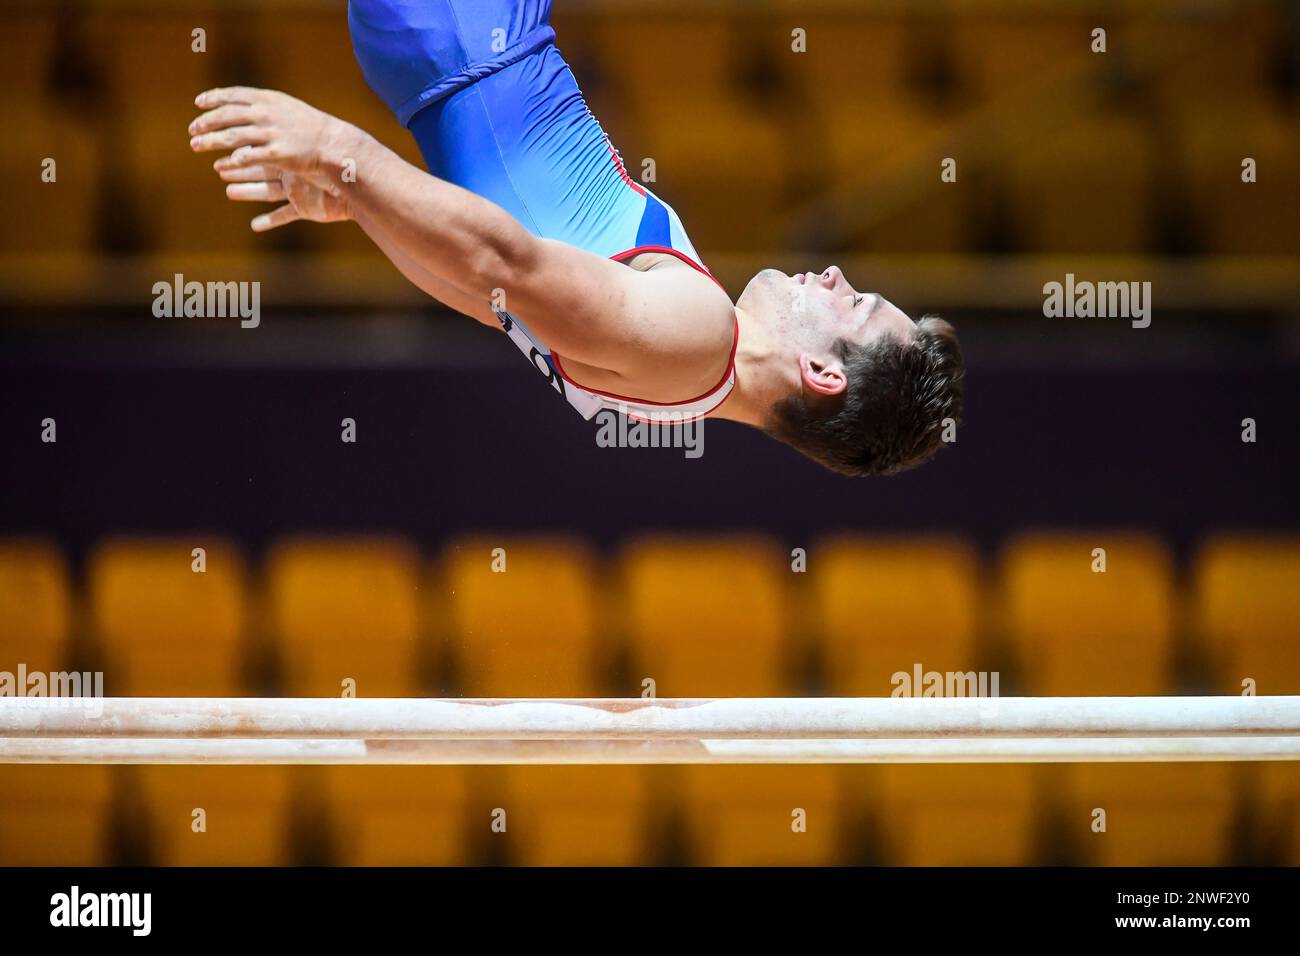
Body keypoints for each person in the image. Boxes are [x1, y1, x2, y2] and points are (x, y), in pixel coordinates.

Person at [187, 0, 964, 475]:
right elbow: (489, 298)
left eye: (854, 303)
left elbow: (501, 264)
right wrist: (369, 209)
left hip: (465, 35)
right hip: (447, 50)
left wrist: (343, 155)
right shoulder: (680, 394)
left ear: (823, 375)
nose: (833, 275)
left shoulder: (695, 335)